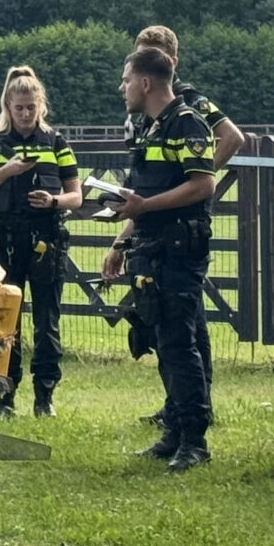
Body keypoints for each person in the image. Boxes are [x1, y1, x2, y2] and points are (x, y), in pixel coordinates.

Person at [100, 46, 221, 470]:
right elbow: (143, 196)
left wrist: (145, 209)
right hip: (151, 250)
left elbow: (202, 185)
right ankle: (172, 432)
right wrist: (121, 240)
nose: (122, 88)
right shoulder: (152, 129)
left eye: (126, 79)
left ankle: (195, 440)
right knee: (162, 343)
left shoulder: (187, 123)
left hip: (178, 251)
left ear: (146, 82)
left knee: (179, 344)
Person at [0, 66, 81, 417]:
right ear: (8, 105)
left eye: (31, 107)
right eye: (19, 108)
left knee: (47, 321)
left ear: (40, 105)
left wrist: (54, 202)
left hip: (46, 238)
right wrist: (7, 171)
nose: (26, 114)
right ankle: (5, 398)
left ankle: (44, 398)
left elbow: (76, 195)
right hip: (6, 239)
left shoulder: (56, 142)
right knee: (5, 321)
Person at [131, 25, 246, 165]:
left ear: (173, 63)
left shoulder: (189, 99)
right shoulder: (140, 99)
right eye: (141, 59)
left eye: (155, 59)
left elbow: (233, 137)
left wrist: (202, 174)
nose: (147, 67)